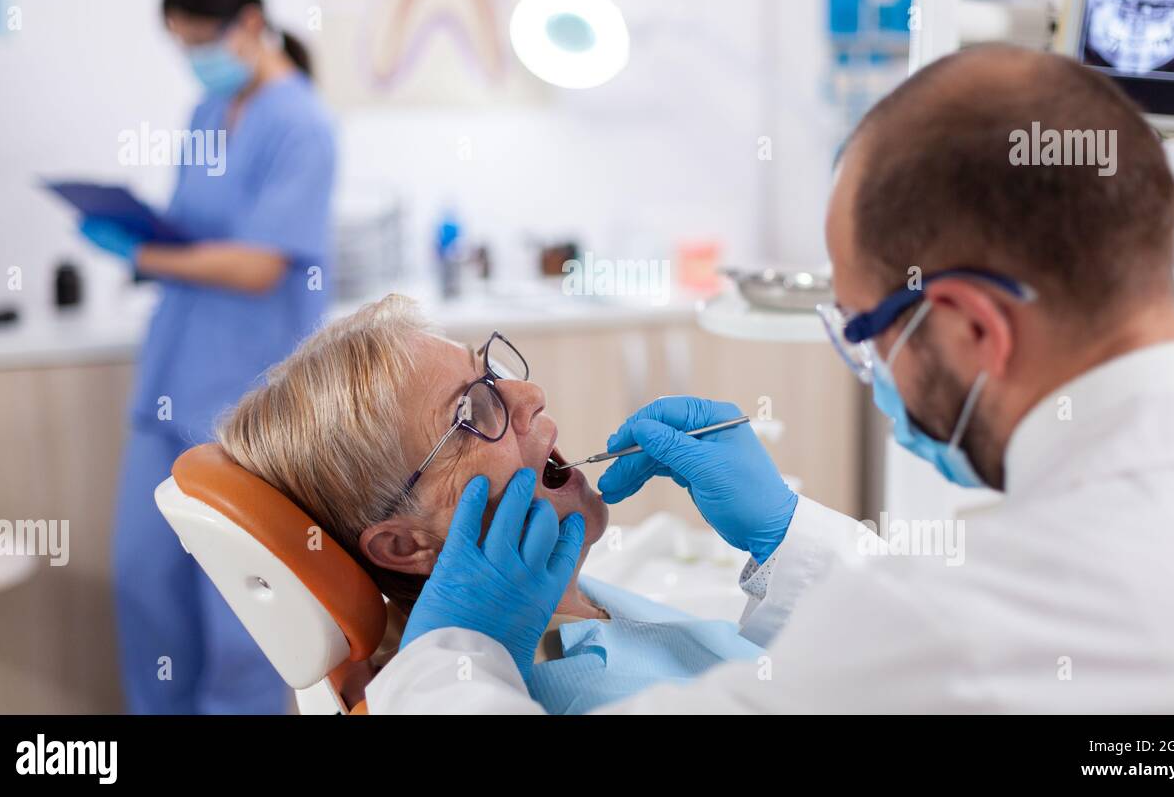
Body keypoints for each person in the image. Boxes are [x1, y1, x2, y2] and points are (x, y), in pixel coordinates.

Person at [365, 45, 1174, 713]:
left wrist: (454, 652)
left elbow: (919, 643)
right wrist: (791, 536)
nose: (530, 399)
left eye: (866, 330)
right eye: (474, 407)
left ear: (973, 328)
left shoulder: (959, 629)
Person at [215, 295, 763, 714]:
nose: (530, 393)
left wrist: (782, 544)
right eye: (471, 411)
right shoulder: (561, 692)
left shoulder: (582, 600)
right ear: (405, 544)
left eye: (492, 375)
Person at [83, 0, 337, 714]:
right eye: (182, 44)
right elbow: (200, 231)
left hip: (249, 408)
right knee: (144, 585)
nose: (196, 59)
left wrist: (143, 254)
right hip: (170, 388)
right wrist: (144, 231)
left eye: (201, 41)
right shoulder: (205, 114)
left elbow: (260, 265)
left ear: (250, 25)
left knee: (241, 620)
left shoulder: (304, 125)